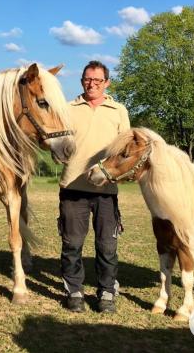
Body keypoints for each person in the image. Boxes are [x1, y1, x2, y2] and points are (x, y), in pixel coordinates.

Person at [58, 60, 131, 313]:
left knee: (107, 246)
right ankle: (74, 291)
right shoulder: (67, 108)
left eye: (98, 80)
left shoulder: (118, 110)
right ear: (81, 81)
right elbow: (58, 143)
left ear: (107, 83)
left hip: (106, 191)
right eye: (88, 79)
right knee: (72, 245)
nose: (92, 84)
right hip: (73, 187)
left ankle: (107, 292)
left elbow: (126, 149)